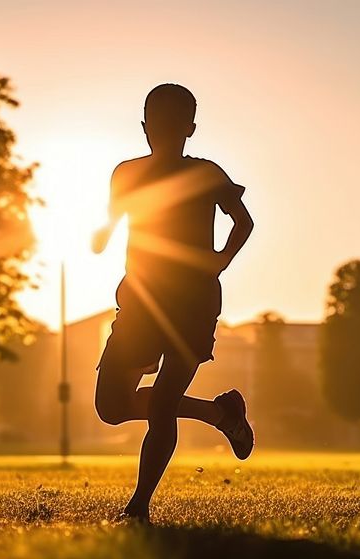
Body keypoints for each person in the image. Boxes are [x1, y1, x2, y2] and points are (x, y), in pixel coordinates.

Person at [92, 83, 255, 522]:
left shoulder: (206, 174)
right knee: (111, 407)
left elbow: (243, 221)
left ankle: (138, 508)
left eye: (172, 123)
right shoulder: (126, 172)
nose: (162, 131)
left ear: (191, 128)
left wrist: (220, 261)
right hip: (141, 301)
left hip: (193, 304)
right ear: (144, 127)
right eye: (155, 122)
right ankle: (220, 413)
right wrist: (103, 235)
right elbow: (116, 214)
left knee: (162, 406)